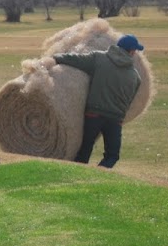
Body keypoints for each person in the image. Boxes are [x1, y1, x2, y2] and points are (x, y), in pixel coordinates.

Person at [50, 34, 144, 169]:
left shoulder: (99, 58)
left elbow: (75, 60)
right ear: (130, 51)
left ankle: (76, 176)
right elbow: (128, 102)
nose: (135, 53)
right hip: (115, 119)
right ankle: (99, 173)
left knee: (84, 150)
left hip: (93, 115)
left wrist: (54, 58)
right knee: (112, 155)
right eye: (135, 50)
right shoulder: (135, 77)